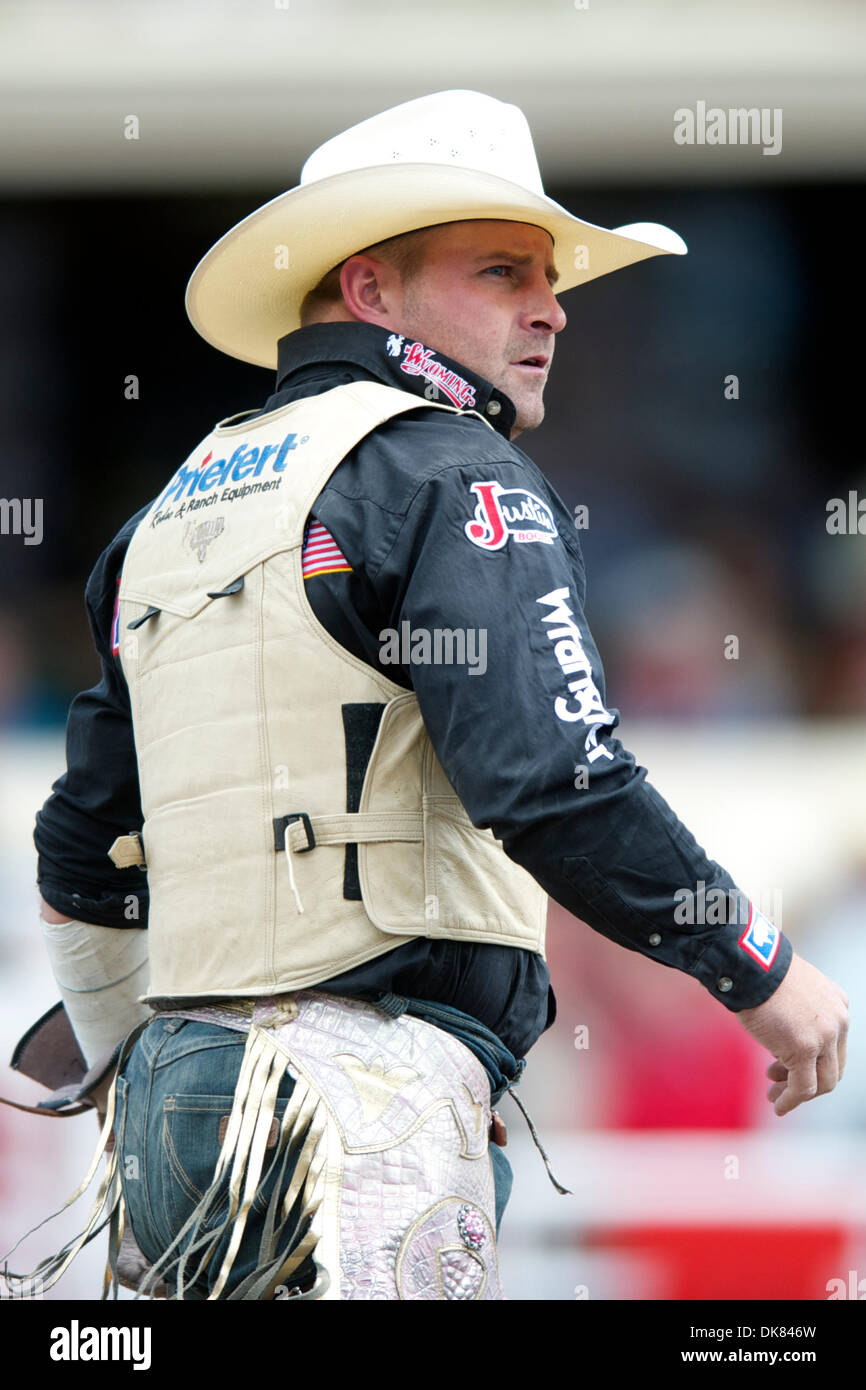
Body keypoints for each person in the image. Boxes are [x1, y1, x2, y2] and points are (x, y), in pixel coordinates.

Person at [30, 90, 847, 1301]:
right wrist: (758, 965)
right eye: (503, 270)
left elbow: (81, 855)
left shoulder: (163, 519)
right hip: (369, 1100)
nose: (553, 308)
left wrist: (139, 1071)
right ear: (369, 291)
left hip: (172, 1099)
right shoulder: (451, 468)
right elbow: (553, 780)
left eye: (549, 278)